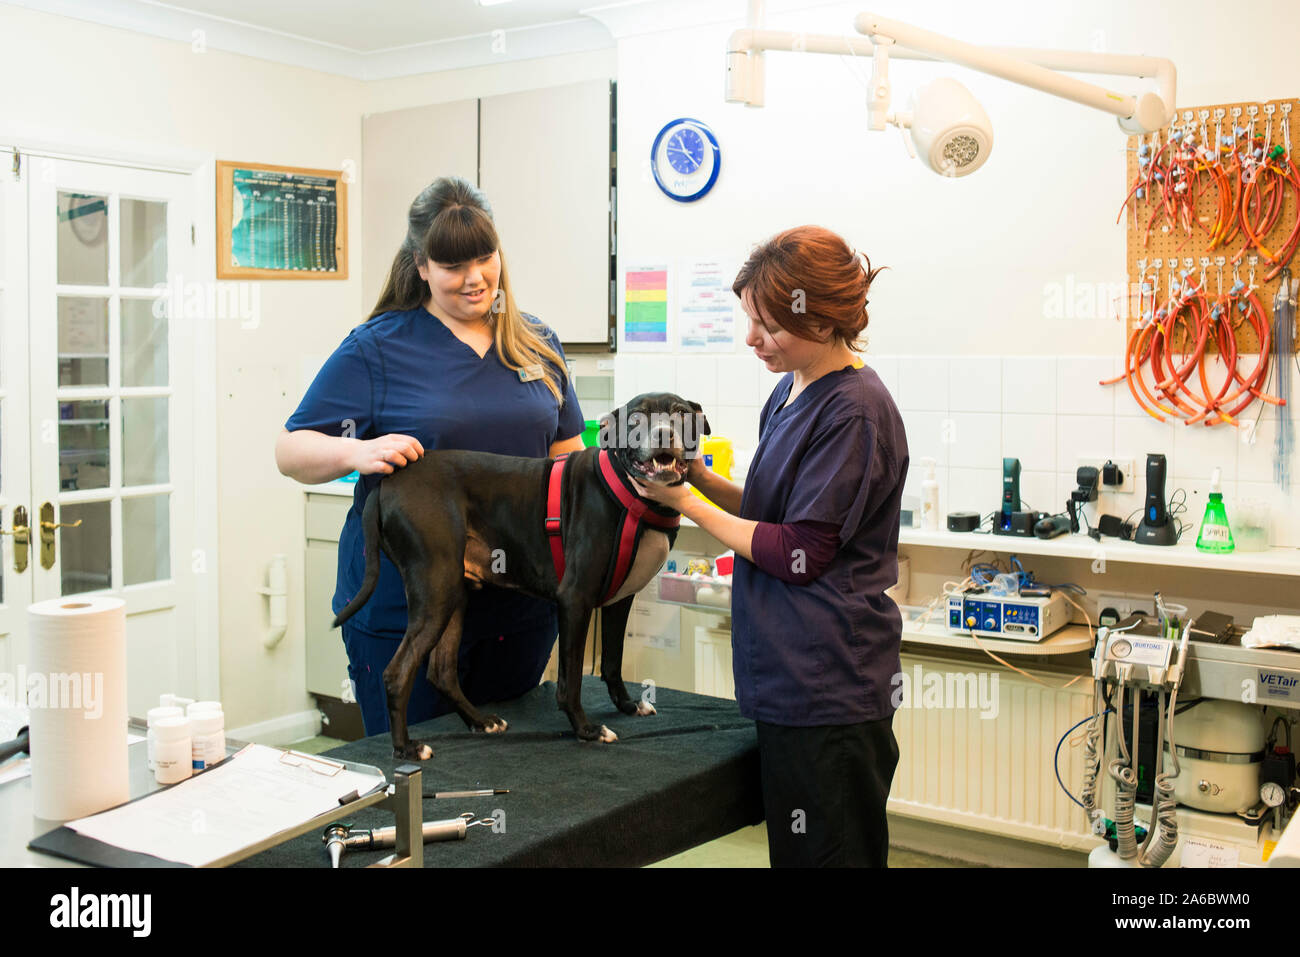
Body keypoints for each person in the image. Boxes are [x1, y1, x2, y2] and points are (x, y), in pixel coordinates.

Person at [631, 225, 908, 867]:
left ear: (824, 316)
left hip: (830, 683)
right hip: (789, 674)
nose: (751, 339)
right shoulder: (791, 389)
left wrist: (685, 504)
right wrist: (699, 477)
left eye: (768, 325)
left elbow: (797, 550)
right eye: (749, 321)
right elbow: (767, 513)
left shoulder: (855, 412)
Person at [275, 176, 586, 737]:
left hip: (518, 608)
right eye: (452, 266)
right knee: (418, 791)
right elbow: (292, 450)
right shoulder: (378, 346)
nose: (475, 279)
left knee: (527, 782)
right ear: (420, 266)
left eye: (485, 258)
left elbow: (570, 462)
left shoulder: (537, 341)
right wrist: (359, 449)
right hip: (407, 608)